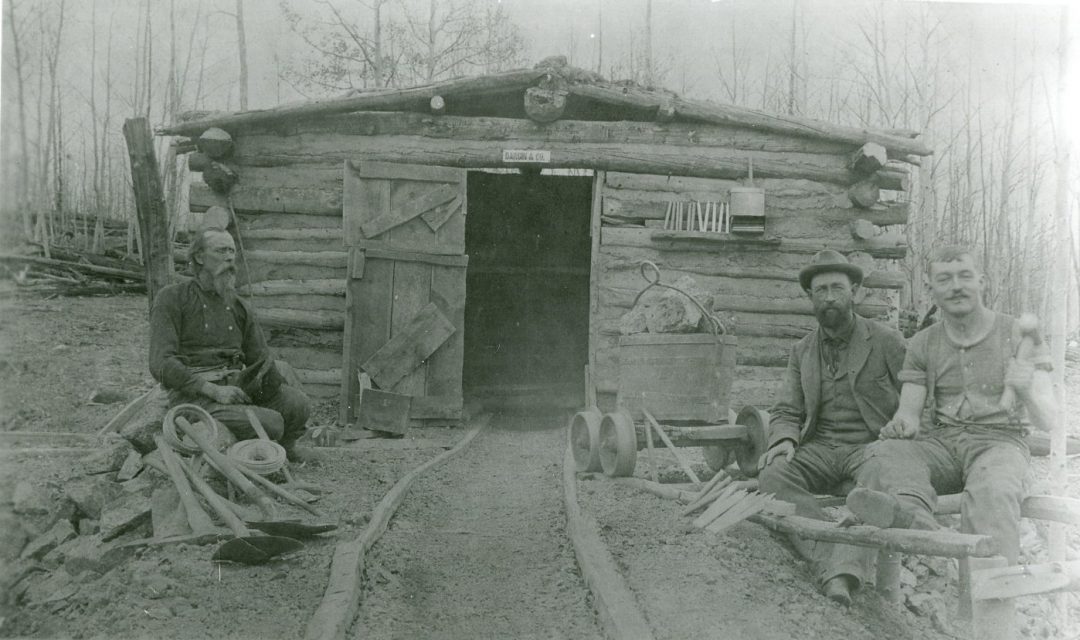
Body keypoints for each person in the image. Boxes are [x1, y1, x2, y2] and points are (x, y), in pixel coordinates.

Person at [846, 245, 1057, 566]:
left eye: (965, 276)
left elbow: (1048, 419)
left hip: (1000, 445)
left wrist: (1026, 389)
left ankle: (990, 603)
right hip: (943, 446)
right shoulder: (923, 342)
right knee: (886, 452)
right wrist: (899, 426)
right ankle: (919, 523)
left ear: (982, 282)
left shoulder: (1015, 333)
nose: (956, 286)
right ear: (932, 289)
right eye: (945, 279)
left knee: (992, 492)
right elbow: (909, 416)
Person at [757, 249, 907, 606]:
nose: (829, 298)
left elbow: (917, 400)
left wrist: (899, 434)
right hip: (820, 449)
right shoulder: (803, 350)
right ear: (810, 298)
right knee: (772, 475)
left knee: (882, 480)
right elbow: (785, 408)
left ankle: (842, 575)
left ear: (854, 291)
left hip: (870, 449)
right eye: (820, 290)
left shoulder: (887, 341)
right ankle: (830, 553)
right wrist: (783, 439)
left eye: (836, 288)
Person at [149, 227, 313, 460]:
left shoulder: (239, 306)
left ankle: (283, 450)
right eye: (221, 250)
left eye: (232, 251)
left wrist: (269, 381)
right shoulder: (172, 297)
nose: (229, 257)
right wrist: (213, 390)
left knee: (297, 404)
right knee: (272, 422)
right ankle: (255, 449)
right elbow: (161, 363)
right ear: (199, 257)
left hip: (234, 390)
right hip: (193, 395)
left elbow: (259, 358)